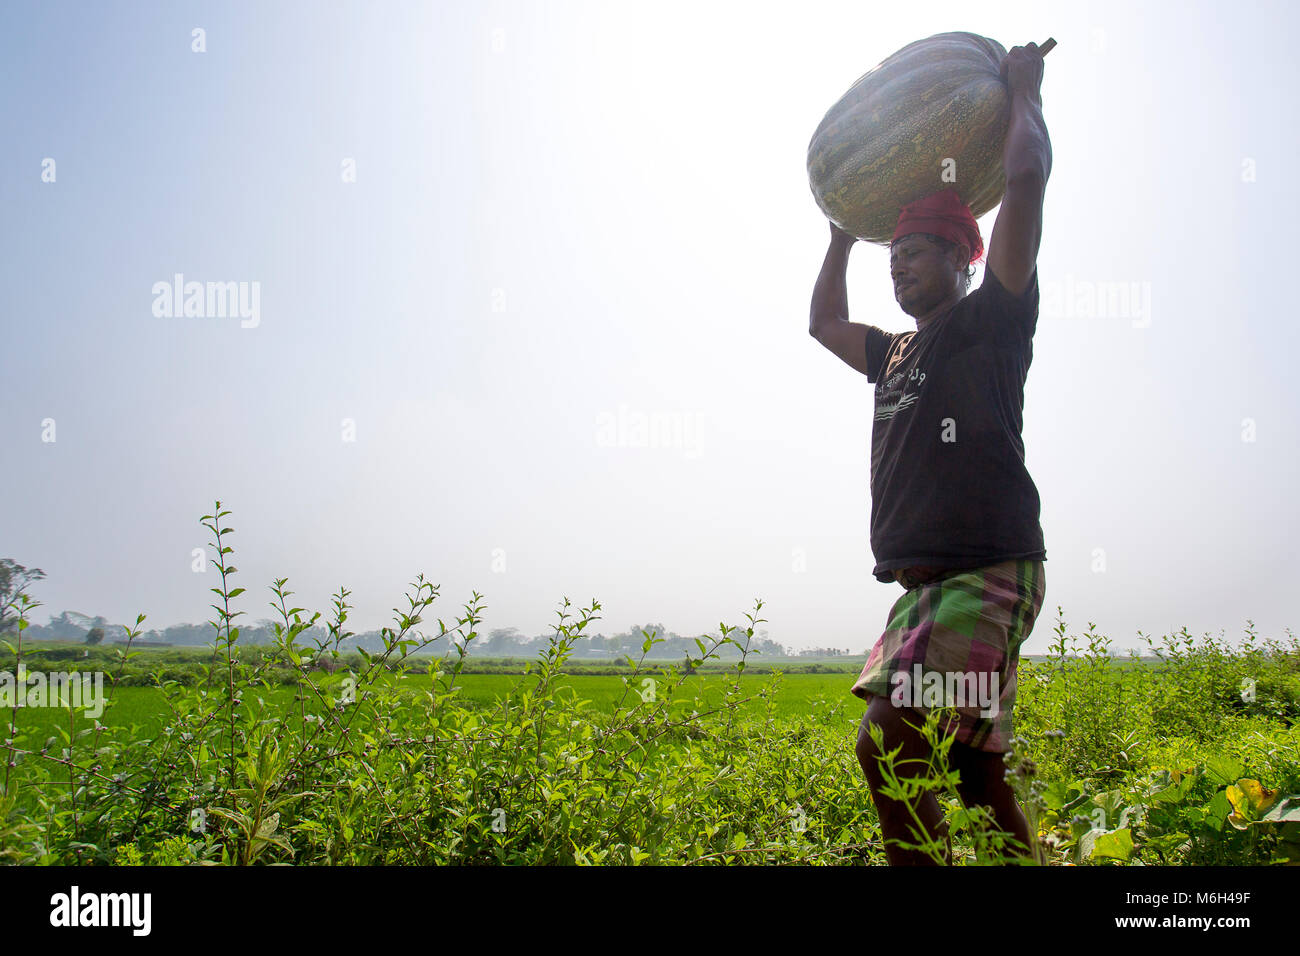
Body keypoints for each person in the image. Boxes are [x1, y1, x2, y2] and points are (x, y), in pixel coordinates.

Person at [808, 42, 1052, 865]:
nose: (900, 268)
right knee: (974, 776)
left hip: (983, 572)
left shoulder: (993, 320)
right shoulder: (897, 351)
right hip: (930, 586)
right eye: (893, 258)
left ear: (962, 256)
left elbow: (1025, 182)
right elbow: (824, 326)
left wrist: (1022, 93)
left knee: (886, 746)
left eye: (914, 254)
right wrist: (843, 237)